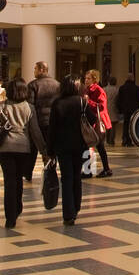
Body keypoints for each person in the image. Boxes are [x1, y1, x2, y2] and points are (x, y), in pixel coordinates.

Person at [0, 79, 48, 228]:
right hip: (23, 148)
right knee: (18, 179)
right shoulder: (29, 107)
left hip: (5, 148)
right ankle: (17, 207)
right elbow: (35, 132)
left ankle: (10, 217)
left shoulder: (2, 106)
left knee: (9, 181)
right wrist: (43, 150)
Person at [47, 76, 89, 224]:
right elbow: (92, 119)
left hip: (62, 146)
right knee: (77, 176)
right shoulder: (82, 101)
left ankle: (68, 214)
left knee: (66, 178)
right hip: (80, 145)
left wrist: (50, 150)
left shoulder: (57, 103)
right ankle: (76, 207)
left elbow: (52, 128)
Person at [25, 61, 60, 181]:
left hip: (38, 121)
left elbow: (30, 105)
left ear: (41, 70)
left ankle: (28, 172)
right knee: (51, 147)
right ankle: (50, 170)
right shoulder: (57, 84)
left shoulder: (33, 85)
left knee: (32, 148)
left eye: (35, 69)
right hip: (53, 122)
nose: (34, 71)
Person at [83, 70, 113, 177]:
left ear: (94, 79)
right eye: (85, 78)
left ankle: (105, 169)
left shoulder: (99, 90)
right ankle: (88, 170)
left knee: (99, 146)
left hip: (98, 121)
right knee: (87, 145)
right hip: (90, 121)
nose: (86, 80)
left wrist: (89, 101)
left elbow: (101, 106)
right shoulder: (86, 90)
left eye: (88, 78)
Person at [117, 73, 139, 146]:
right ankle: (131, 141)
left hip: (125, 109)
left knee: (125, 125)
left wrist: (120, 109)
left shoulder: (122, 88)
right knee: (132, 125)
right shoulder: (136, 88)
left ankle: (124, 140)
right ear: (133, 78)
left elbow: (119, 99)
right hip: (134, 109)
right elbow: (138, 99)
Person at [104, 76, 120, 146]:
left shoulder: (104, 89)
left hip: (106, 108)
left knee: (106, 125)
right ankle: (112, 140)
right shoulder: (117, 90)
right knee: (113, 126)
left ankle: (107, 140)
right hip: (114, 108)